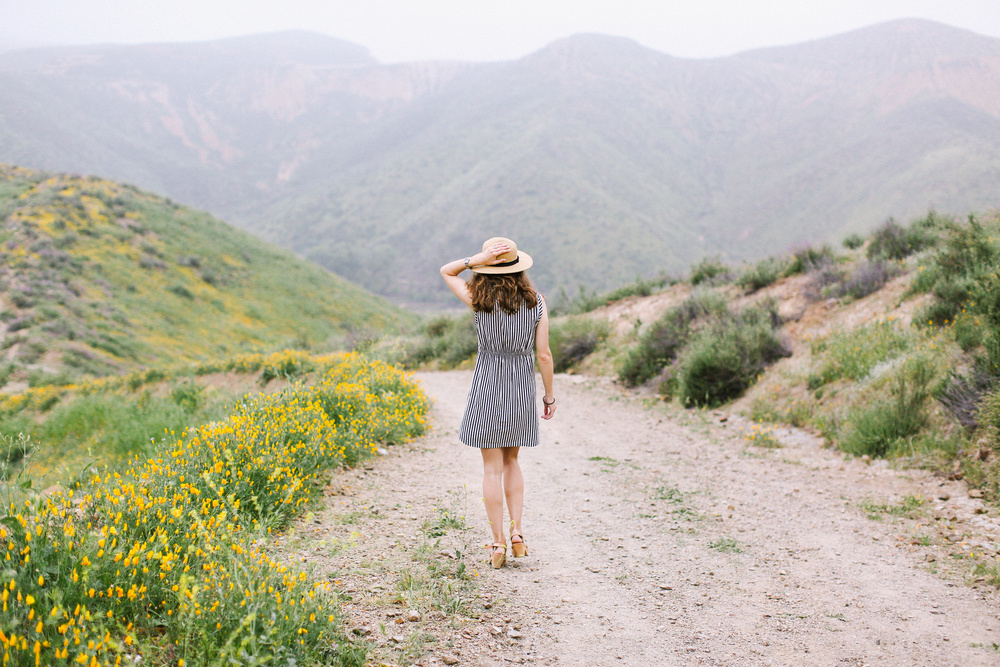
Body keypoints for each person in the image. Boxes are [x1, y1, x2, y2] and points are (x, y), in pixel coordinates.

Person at [440, 237, 556, 569]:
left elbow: (447, 272)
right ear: (520, 269)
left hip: (488, 386)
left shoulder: (478, 298)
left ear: (486, 270)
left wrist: (476, 258)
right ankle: (518, 533)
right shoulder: (537, 303)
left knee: (490, 469)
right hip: (521, 387)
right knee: (512, 463)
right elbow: (544, 355)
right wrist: (548, 396)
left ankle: (497, 543)